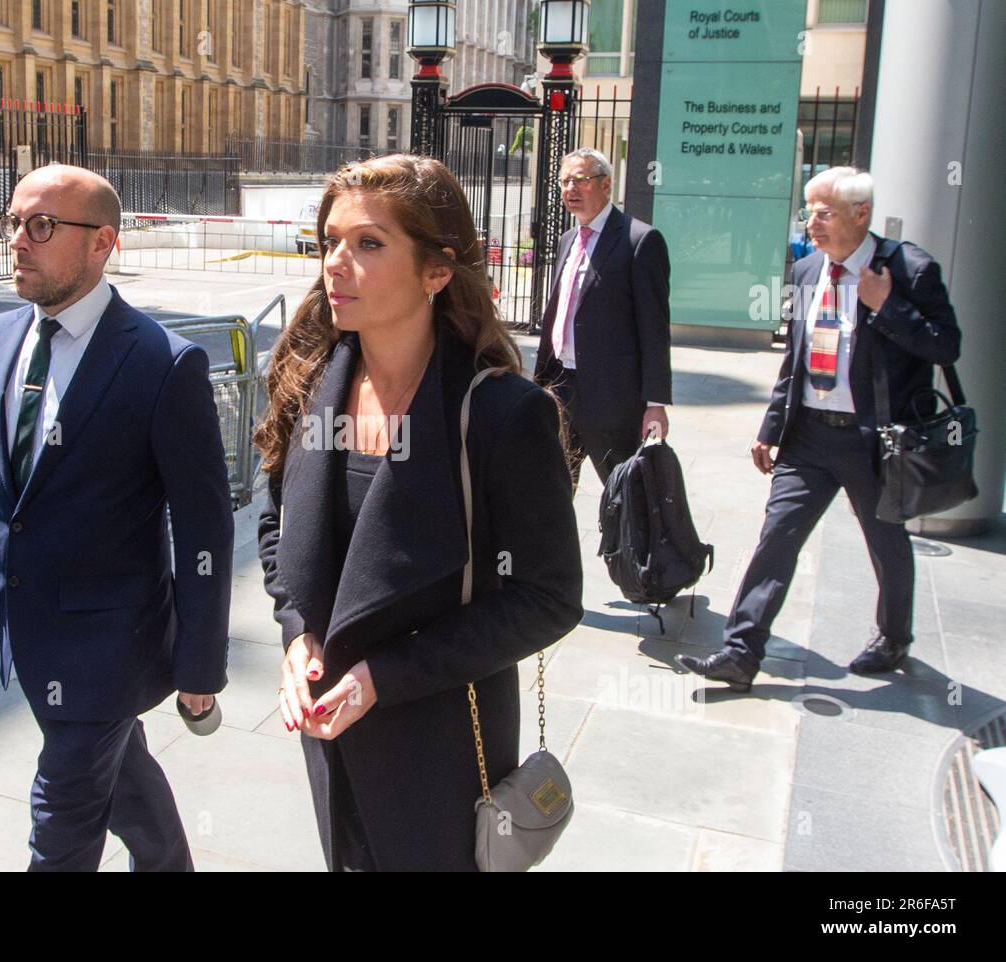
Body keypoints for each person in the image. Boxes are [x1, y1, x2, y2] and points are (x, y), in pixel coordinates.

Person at [0, 164, 234, 871]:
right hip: (29, 634)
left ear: (102, 243)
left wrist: (200, 662)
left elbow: (204, 529)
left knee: (59, 825)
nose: (18, 241)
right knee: (126, 787)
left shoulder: (163, 364)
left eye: (41, 226)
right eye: (13, 223)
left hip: (109, 648)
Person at [255, 153, 583, 872]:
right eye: (329, 243)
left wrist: (389, 674)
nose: (336, 264)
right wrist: (296, 635)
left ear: (438, 271)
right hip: (329, 734)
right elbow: (277, 524)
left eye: (368, 244)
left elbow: (549, 599)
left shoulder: (502, 413)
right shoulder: (309, 387)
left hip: (440, 745)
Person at [677, 166, 961, 690]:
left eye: (824, 213)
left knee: (886, 542)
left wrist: (887, 305)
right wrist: (770, 428)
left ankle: (893, 636)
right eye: (808, 212)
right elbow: (797, 363)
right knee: (776, 538)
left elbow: (946, 346)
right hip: (808, 437)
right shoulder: (809, 271)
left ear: (862, 214)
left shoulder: (909, 269)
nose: (812, 224)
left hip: (874, 441)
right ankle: (741, 651)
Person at [533, 147, 673, 489]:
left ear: (606, 184)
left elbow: (654, 329)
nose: (570, 190)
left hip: (613, 398)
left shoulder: (639, 240)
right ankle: (557, 545)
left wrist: (655, 404)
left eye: (580, 180)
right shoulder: (568, 241)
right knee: (553, 488)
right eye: (564, 182)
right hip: (560, 388)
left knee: (624, 494)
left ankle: (623, 546)